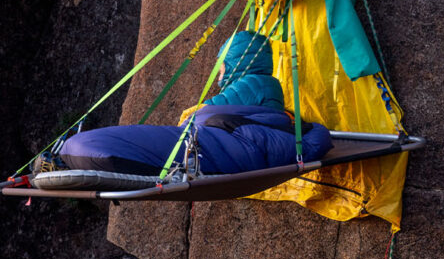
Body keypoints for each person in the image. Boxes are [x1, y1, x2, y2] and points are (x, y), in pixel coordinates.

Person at [54, 31, 332, 175]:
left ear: (238, 64)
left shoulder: (254, 83)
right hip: (242, 136)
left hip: (231, 138)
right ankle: (64, 158)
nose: (219, 74)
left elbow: (213, 111)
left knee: (99, 144)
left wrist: (192, 115)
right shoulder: (266, 86)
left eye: (222, 67)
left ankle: (61, 159)